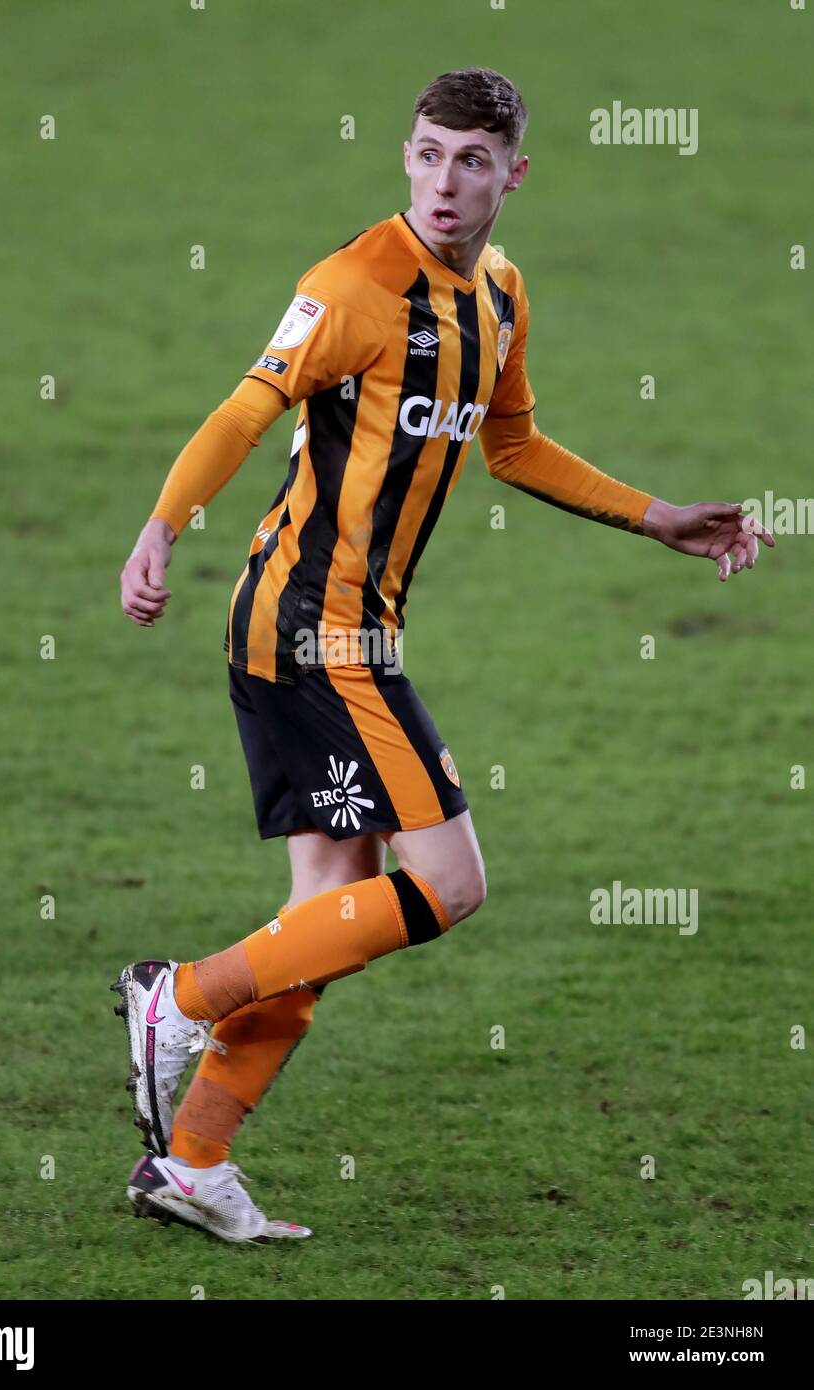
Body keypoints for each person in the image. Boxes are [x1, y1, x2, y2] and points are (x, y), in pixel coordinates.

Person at [114, 67, 773, 1244]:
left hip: (351, 630)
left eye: (471, 161)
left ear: (513, 173)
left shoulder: (502, 297)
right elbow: (242, 411)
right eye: (425, 154)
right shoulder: (351, 286)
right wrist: (162, 525)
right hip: (313, 629)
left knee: (326, 911)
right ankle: (180, 994)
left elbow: (511, 445)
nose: (443, 183)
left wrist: (654, 514)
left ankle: (195, 1159)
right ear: (403, 156)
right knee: (448, 883)